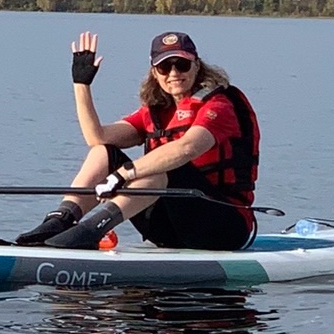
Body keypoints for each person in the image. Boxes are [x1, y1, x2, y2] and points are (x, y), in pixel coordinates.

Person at [15, 29, 260, 252]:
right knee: (103, 151)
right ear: (155, 73)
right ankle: (59, 221)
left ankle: (89, 231)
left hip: (225, 226)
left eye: (182, 65)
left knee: (164, 168)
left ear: (196, 66)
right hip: (168, 228)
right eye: (165, 68)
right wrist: (81, 84)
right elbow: (96, 137)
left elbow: (186, 147)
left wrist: (124, 174)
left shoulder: (220, 105)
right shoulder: (155, 112)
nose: (174, 73)